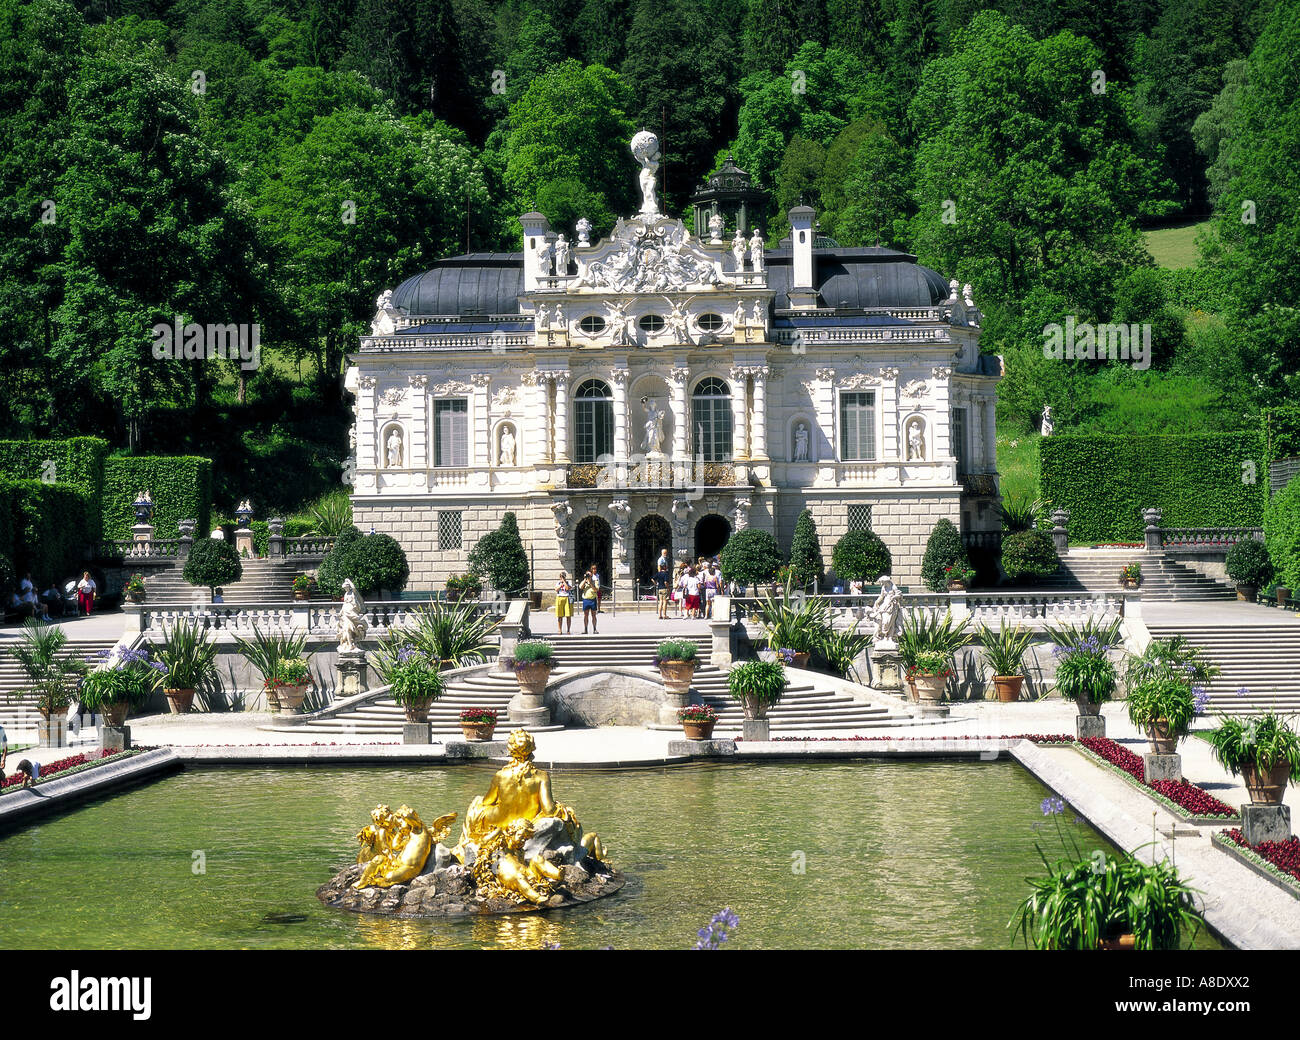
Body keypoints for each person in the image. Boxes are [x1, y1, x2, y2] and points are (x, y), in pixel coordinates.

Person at [578, 570, 600, 634]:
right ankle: (585, 629)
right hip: (586, 599)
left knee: (594, 615)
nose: (588, 576)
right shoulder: (584, 582)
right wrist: (585, 580)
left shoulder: (595, 581)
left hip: (593, 599)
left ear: (591, 576)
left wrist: (590, 583)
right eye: (587, 575)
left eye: (589, 575)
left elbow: (596, 589)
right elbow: (580, 587)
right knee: (586, 615)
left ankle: (595, 629)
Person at [654, 552, 671, 620]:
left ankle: (660, 615)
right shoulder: (665, 573)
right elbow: (666, 582)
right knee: (665, 602)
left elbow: (652, 579)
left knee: (660, 602)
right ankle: (664, 615)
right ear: (665, 567)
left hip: (659, 589)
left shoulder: (659, 573)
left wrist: (656, 583)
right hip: (664, 588)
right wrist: (668, 587)